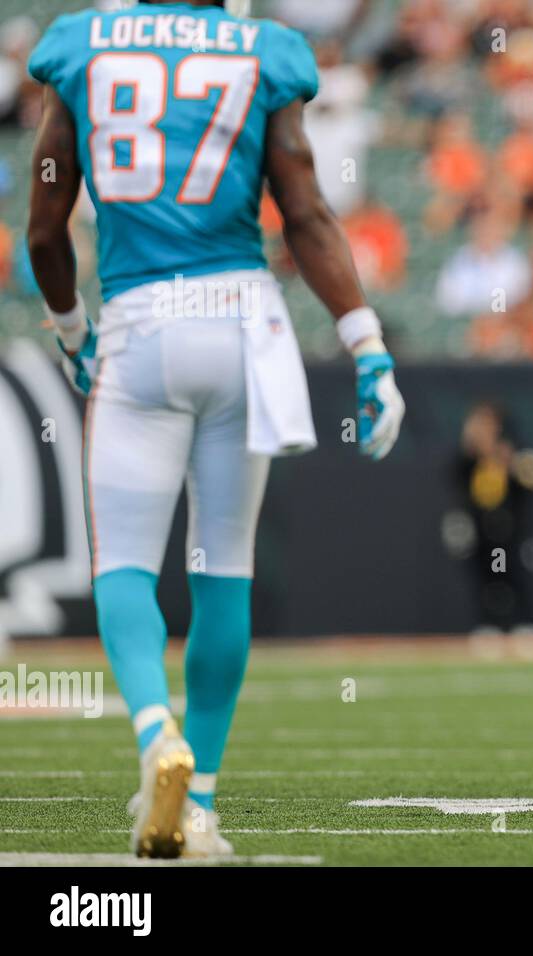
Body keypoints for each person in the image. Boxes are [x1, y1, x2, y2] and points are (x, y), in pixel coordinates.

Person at [26, 0, 404, 858]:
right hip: (243, 326)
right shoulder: (263, 50)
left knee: (122, 563)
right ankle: (198, 805)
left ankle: (158, 730)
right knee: (221, 568)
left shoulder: (82, 44)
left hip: (138, 324)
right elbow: (304, 212)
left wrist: (72, 331)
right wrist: (367, 343)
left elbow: (45, 224)